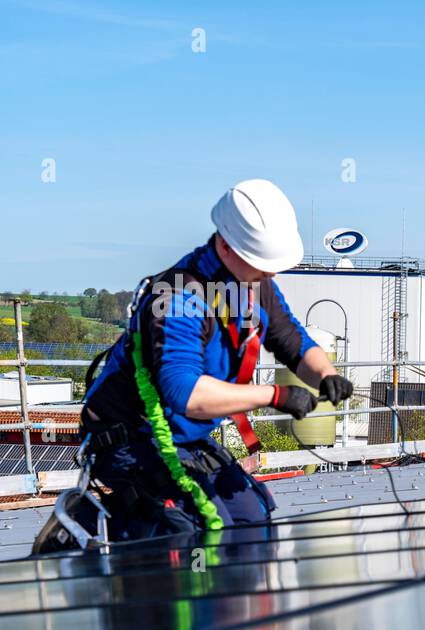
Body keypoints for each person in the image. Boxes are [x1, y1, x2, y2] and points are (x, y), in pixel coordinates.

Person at [77, 179, 353, 541]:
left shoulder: (253, 283)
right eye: (261, 264)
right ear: (225, 246)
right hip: (133, 441)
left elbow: (290, 339)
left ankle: (239, 596)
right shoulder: (178, 298)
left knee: (251, 523)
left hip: (186, 441)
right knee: (199, 532)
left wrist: (326, 373)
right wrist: (276, 397)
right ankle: (104, 545)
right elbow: (185, 393)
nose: (270, 273)